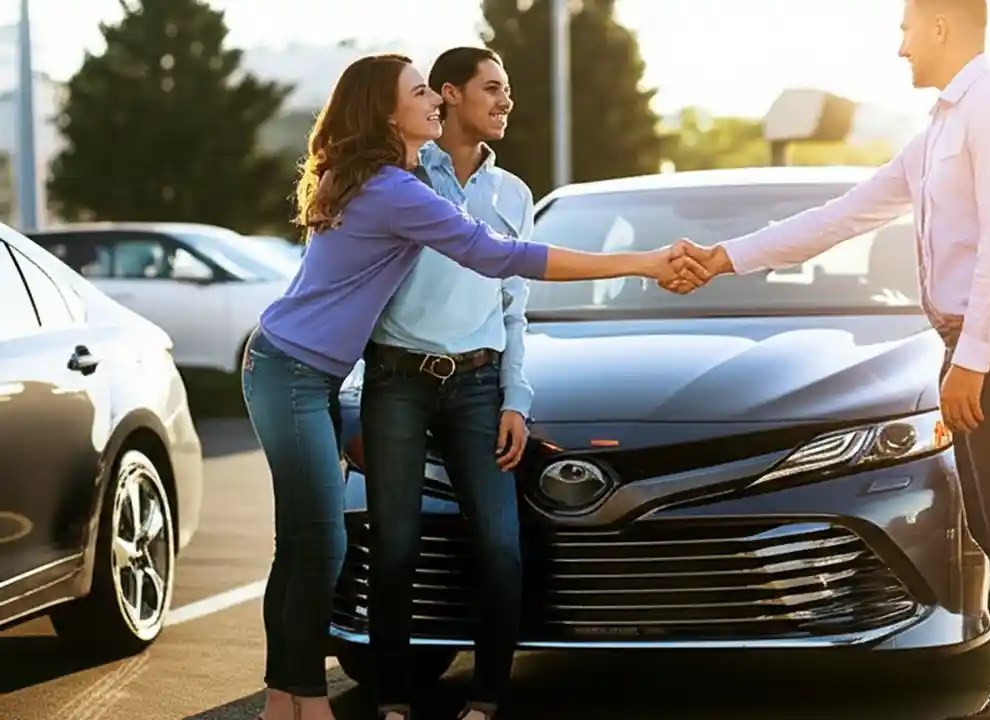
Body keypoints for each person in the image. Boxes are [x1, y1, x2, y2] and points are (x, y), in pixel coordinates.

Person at [241, 52, 709, 720]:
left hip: (300, 368)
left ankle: (283, 700)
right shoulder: (398, 189)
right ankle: (308, 705)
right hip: (290, 369)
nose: (432, 98)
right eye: (420, 90)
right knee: (323, 544)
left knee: (304, 544)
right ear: (386, 111)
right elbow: (498, 255)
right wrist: (640, 261)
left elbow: (497, 280)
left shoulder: (389, 179)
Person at [673, 1, 990, 718]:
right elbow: (843, 215)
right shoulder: (939, 130)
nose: (900, 48)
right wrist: (724, 258)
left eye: (905, 30)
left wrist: (972, 361)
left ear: (942, 28)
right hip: (980, 344)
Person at [360, 47, 532, 720]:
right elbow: (358, 294)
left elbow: (515, 307)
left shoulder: (513, 194)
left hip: (479, 387)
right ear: (450, 93)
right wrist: (353, 406)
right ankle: (392, 700)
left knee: (499, 545)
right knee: (395, 546)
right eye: (492, 88)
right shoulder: (399, 177)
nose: (505, 101)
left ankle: (487, 697)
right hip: (395, 381)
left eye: (508, 90)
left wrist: (517, 398)